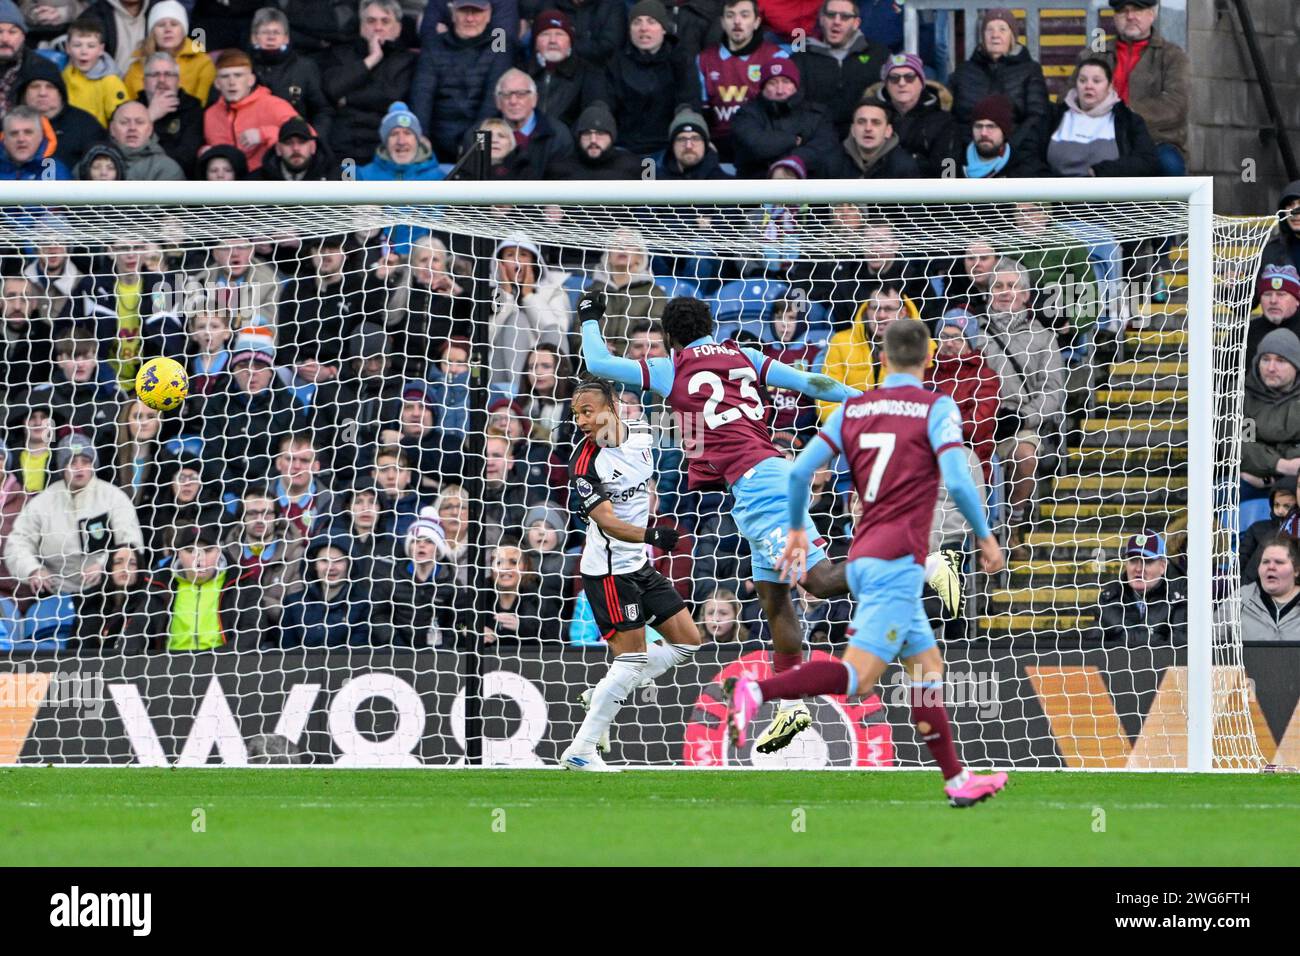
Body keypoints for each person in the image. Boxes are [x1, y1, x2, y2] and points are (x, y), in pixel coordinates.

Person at [581, 293, 963, 754]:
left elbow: (595, 358)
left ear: (670, 338)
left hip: (761, 486)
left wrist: (589, 316)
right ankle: (792, 707)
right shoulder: (746, 354)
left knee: (818, 583)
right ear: (709, 326)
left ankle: (926, 565)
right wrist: (866, 398)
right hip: (765, 478)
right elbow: (815, 382)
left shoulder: (670, 367)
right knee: (774, 597)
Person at [725, 318, 1008, 807]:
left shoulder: (854, 407)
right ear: (928, 358)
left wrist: (796, 531)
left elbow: (798, 474)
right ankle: (758, 691)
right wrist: (986, 536)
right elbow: (960, 483)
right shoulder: (935, 407)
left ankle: (956, 779)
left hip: (864, 552)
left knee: (926, 668)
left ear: (881, 358)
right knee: (858, 676)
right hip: (898, 560)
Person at [559, 378, 702, 771]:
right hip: (607, 572)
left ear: (614, 407)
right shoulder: (585, 463)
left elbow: (686, 439)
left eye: (588, 411)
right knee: (632, 659)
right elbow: (607, 522)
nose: (582, 421)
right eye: (576, 415)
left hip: (638, 565)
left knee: (689, 641)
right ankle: (581, 750)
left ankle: (602, 692)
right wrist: (654, 535)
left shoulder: (642, 435)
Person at [980, 257, 1066, 556]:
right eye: (999, 286)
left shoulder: (1044, 337)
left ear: (1026, 294)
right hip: (977, 424)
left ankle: (1014, 523)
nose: (1005, 292)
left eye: (1013, 286)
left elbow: (1054, 393)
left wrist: (1022, 418)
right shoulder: (974, 334)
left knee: (1025, 456)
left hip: (1019, 423)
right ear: (988, 292)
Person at [5, 433, 144, 599]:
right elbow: (17, 543)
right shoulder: (43, 501)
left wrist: (104, 565)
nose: (79, 467)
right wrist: (33, 569)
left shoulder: (114, 497)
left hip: (106, 591)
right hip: (54, 593)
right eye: (72, 462)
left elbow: (132, 542)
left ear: (93, 464)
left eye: (85, 461)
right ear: (63, 467)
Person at [1086, 0, 1189, 177]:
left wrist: (1125, 114)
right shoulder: (1095, 54)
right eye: (1123, 11)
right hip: (1099, 138)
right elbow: (1068, 94)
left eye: (1138, 9)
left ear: (1152, 13)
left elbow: (1175, 105)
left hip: (1156, 140)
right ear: (1114, 16)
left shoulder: (1172, 56)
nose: (1130, 16)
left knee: (1169, 165)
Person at [408, 0, 512, 162]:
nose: (470, 19)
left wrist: (472, 141)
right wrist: (421, 137)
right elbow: (422, 94)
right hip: (437, 137)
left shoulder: (499, 46)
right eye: (464, 11)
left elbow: (491, 102)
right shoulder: (435, 44)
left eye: (476, 12)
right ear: (453, 15)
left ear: (488, 16)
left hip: (478, 139)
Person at [320, 0, 417, 166]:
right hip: (345, 150)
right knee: (346, 187)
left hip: (386, 151)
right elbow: (332, 89)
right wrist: (371, 60)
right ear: (361, 26)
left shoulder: (407, 61)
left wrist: (349, 99)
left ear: (398, 28)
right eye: (371, 21)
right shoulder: (341, 54)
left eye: (385, 21)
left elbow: (393, 97)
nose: (378, 27)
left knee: (380, 192)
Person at [949, 8, 1050, 161]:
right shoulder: (964, 71)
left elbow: (1037, 117)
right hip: (967, 153)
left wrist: (1009, 149)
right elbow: (953, 118)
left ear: (1012, 36)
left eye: (1002, 29)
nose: (995, 35)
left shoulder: (1030, 70)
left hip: (1017, 154)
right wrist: (973, 147)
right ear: (982, 36)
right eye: (989, 29)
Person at [602, 0, 699, 159]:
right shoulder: (615, 63)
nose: (643, 28)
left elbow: (689, 104)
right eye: (636, 22)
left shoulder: (681, 60)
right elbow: (607, 107)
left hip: (668, 149)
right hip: (624, 148)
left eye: (651, 22)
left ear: (663, 29)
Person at [695, 0, 786, 161]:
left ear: (757, 22)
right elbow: (698, 110)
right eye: (730, 16)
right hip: (717, 148)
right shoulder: (704, 60)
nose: (737, 21)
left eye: (744, 15)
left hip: (762, 147)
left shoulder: (776, 57)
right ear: (723, 22)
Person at [1045, 57, 1160, 179]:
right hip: (1057, 194)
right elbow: (1032, 158)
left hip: (1110, 194)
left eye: (1096, 81)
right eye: (1082, 80)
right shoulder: (1054, 116)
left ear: (1110, 86)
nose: (1088, 86)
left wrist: (1102, 172)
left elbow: (1147, 161)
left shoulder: (1127, 119)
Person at [792, 0, 890, 141]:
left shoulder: (879, 55)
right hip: (815, 138)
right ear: (821, 19)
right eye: (831, 15)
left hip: (865, 139)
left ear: (856, 23)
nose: (836, 21)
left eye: (844, 17)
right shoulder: (801, 58)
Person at [487, 233, 571, 391]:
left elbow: (557, 331)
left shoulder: (555, 290)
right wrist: (508, 296)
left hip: (546, 369)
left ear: (534, 260)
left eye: (523, 255)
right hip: (502, 370)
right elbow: (488, 338)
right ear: (500, 263)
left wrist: (529, 296)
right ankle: (521, 395)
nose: (517, 262)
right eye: (510, 255)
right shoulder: (493, 294)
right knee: (517, 320)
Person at [150, 525, 255, 651]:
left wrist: (221, 657)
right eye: (190, 550)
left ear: (218, 552)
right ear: (179, 554)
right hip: (169, 665)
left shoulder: (242, 583)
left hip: (224, 664)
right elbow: (136, 629)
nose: (199, 558)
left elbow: (253, 630)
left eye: (207, 550)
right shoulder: (160, 585)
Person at [730, 59, 836, 179]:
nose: (780, 90)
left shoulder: (817, 114)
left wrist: (790, 164)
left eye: (786, 82)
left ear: (796, 85)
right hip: (757, 187)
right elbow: (755, 145)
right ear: (763, 87)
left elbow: (823, 148)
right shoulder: (746, 113)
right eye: (772, 83)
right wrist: (793, 140)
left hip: (807, 187)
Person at [926, 309, 999, 484]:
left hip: (969, 468)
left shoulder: (985, 377)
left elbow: (976, 427)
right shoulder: (924, 375)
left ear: (970, 344)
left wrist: (932, 426)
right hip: (925, 465)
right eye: (944, 336)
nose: (949, 343)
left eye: (958, 338)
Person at [247, 6, 334, 144]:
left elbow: (322, 110)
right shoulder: (244, 67)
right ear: (254, 38)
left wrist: (315, 139)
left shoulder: (304, 67)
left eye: (276, 32)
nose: (271, 37)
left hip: (295, 143)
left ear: (286, 38)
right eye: (265, 32)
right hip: (252, 142)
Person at [203, 49, 299, 174]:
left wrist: (263, 134)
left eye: (238, 75)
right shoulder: (211, 114)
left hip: (268, 182)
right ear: (217, 84)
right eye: (225, 76)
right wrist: (207, 154)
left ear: (251, 80)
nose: (232, 82)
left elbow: (307, 140)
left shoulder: (274, 105)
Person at [865, 53, 958, 178]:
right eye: (894, 77)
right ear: (886, 85)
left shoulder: (944, 121)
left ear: (921, 83)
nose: (902, 83)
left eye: (909, 77)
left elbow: (948, 172)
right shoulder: (869, 118)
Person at [17, 53, 105, 172]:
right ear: (24, 94)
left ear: (61, 94)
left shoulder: (86, 125)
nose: (42, 93)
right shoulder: (10, 124)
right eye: (35, 86)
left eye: (50, 87)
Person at [1096, 532, 1187, 646]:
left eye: (1147, 561)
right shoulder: (1108, 599)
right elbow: (1092, 647)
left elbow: (1179, 649)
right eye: (1133, 560)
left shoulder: (1181, 597)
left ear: (1163, 566)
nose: (1138, 568)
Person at [280, 537, 369, 648]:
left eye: (338, 561)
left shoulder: (363, 604)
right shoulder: (293, 603)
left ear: (349, 565)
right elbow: (287, 650)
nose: (331, 567)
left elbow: (358, 652)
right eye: (324, 561)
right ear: (314, 565)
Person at [526, 8, 603, 133]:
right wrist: (482, 152)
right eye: (545, 34)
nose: (552, 41)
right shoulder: (520, 74)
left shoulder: (589, 74)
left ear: (570, 41)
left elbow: (594, 120)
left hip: (568, 148)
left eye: (559, 34)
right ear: (535, 42)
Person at [121, 1, 214, 104]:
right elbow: (129, 108)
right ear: (152, 32)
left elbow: (201, 106)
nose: (168, 29)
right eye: (161, 25)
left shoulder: (203, 63)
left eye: (174, 24)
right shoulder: (137, 67)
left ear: (184, 30)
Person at [1241, 328, 1300, 490]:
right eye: (1265, 359)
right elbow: (1242, 444)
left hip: (1294, 482)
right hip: (1249, 481)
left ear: (1296, 365)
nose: (1271, 368)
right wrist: (1282, 465)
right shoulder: (1242, 396)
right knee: (1224, 488)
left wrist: (1271, 479)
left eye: (1281, 360)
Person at [73, 545, 160, 653]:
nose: (125, 568)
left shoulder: (147, 605)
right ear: (109, 567)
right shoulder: (89, 604)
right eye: (118, 562)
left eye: (132, 563)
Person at [943, 94, 1046, 179]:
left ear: (1004, 131)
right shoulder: (952, 161)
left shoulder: (1022, 164)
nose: (983, 133)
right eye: (978, 126)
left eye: (991, 127)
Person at [134, 50, 204, 176]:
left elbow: (186, 159)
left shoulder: (193, 109)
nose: (162, 80)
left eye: (168, 74)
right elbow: (125, 152)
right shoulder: (131, 108)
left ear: (177, 80)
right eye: (155, 74)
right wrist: (149, 117)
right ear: (144, 82)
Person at [818, 98, 921, 179]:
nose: (868, 128)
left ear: (888, 131)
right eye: (861, 122)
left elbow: (913, 206)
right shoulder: (830, 162)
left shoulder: (905, 166)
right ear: (853, 129)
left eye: (876, 123)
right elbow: (817, 205)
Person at [61, 16, 129, 128]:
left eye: (91, 46)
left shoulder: (110, 82)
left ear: (101, 50)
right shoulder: (64, 77)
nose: (84, 51)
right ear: (67, 48)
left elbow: (122, 122)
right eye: (77, 45)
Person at [545, 101, 641, 180]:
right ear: (579, 137)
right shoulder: (559, 169)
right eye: (587, 134)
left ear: (612, 137)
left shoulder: (633, 166)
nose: (593, 140)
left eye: (600, 134)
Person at [356, 101, 446, 181]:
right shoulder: (363, 177)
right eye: (394, 134)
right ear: (385, 143)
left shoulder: (441, 179)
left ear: (417, 140)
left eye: (407, 133)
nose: (401, 141)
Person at [1236, 535, 1300, 641]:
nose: (1271, 567)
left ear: (1296, 570)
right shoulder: (1240, 599)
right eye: (1265, 562)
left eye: (1279, 562)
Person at [108, 100, 185, 180]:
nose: (132, 128)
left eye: (139, 122)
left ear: (150, 129)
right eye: (124, 122)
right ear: (112, 129)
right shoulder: (96, 164)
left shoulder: (166, 168)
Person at [655, 106, 732, 180]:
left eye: (695, 139)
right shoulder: (653, 185)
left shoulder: (728, 187)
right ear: (672, 145)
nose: (688, 146)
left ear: (706, 144)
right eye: (682, 139)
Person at [255, 116, 341, 181]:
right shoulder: (256, 182)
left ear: (313, 147)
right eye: (288, 143)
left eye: (302, 142)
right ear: (278, 149)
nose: (295, 148)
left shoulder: (336, 180)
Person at [1240, 482, 1296, 583]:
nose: (1280, 511)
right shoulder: (1257, 528)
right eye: (1276, 505)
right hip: (1252, 588)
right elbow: (1242, 560)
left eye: (1286, 506)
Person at [1247, 265, 1300, 365]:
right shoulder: (1245, 333)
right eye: (1267, 294)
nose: (1273, 301)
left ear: (1297, 300)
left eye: (1281, 294)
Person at [0, 105, 70, 180]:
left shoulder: (56, 172)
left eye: (28, 132)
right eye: (14, 133)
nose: (21, 139)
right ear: (5, 139)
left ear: (41, 137)